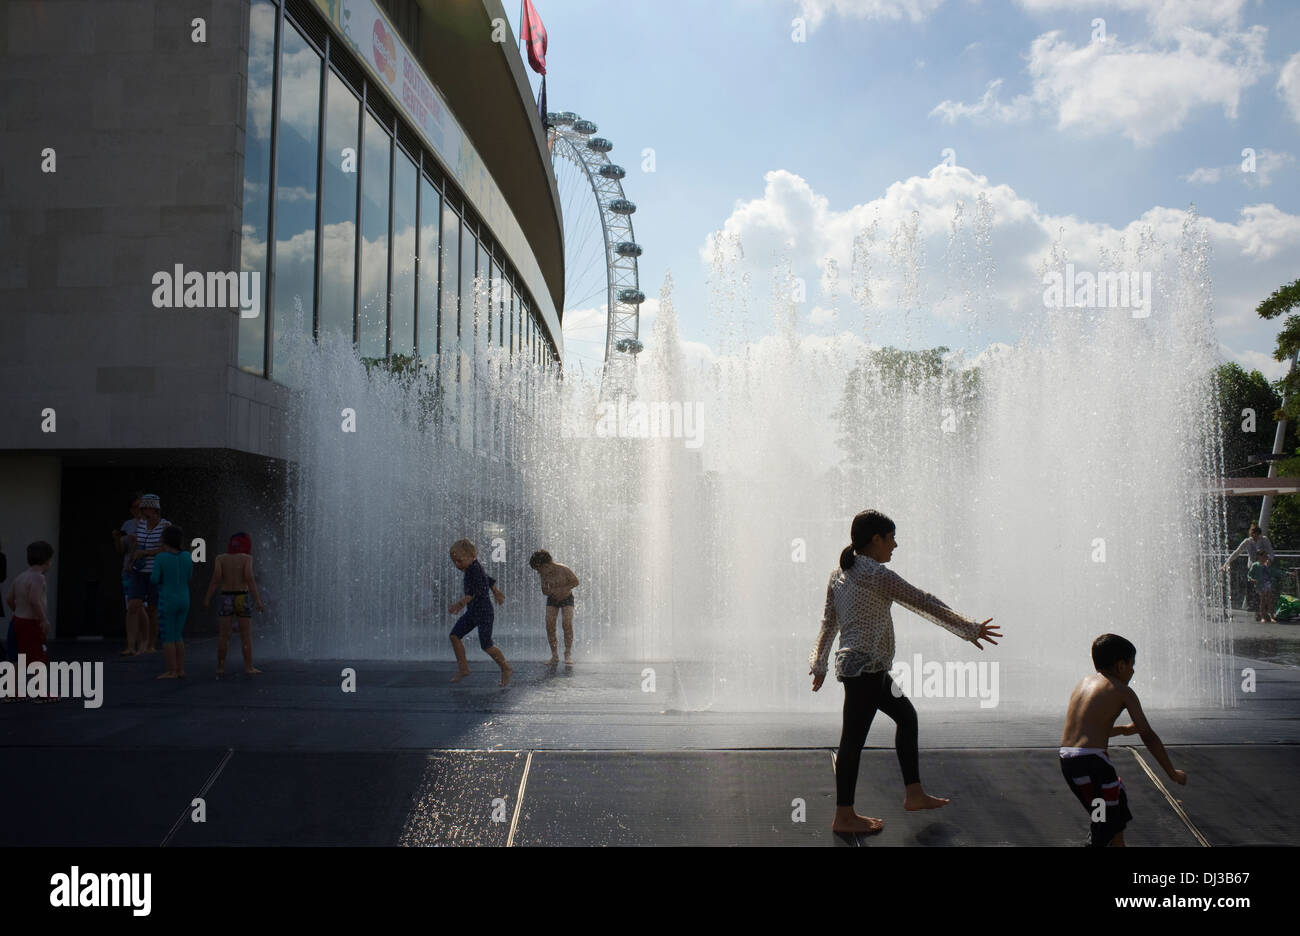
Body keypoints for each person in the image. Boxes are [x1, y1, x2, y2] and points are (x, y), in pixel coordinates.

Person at [809, 510, 1000, 840]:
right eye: (891, 538)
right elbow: (922, 601)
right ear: (875, 540)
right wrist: (969, 628)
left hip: (866, 668)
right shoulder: (875, 574)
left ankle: (914, 793)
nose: (895, 545)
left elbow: (829, 622)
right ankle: (844, 815)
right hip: (865, 669)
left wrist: (820, 664)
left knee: (906, 717)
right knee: (852, 741)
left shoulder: (839, 572)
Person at [1060, 633, 1187, 847]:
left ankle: (1117, 843)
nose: (1133, 671)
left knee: (1108, 810)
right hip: (1093, 764)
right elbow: (1148, 735)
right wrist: (1171, 773)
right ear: (1120, 666)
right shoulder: (1123, 691)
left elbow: (1090, 730)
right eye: (1132, 665)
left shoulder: (1083, 684)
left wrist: (1123, 731)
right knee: (1106, 819)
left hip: (1069, 761)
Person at [447, 539, 510, 686]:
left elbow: (473, 593)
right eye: (454, 562)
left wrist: (459, 604)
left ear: (471, 555)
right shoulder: (473, 568)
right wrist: (497, 592)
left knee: (486, 645)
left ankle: (506, 668)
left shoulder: (474, 570)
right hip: (473, 612)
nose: (457, 565)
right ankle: (463, 669)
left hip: (484, 613)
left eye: (459, 561)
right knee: (454, 636)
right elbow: (488, 580)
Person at [203, 532, 266, 676]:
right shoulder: (247, 558)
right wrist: (258, 600)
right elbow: (249, 579)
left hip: (226, 596)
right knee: (246, 635)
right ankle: (248, 667)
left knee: (223, 636)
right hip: (241, 597)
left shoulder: (220, 558)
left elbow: (216, 578)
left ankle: (220, 666)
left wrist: (207, 598)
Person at [4, 542, 56, 702]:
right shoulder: (38, 578)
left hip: (16, 621)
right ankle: (41, 693)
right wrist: (43, 620)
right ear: (47, 560)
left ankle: (12, 693)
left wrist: (18, 612)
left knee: (15, 658)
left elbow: (9, 598)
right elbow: (34, 600)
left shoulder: (20, 577)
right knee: (37, 658)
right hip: (30, 623)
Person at [150, 525, 193, 679]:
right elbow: (189, 576)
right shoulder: (187, 556)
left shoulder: (161, 557)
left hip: (167, 599)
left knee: (168, 636)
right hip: (184, 599)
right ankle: (180, 669)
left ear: (164, 540)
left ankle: (171, 671)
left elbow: (154, 579)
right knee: (178, 636)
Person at [128, 494, 170, 654]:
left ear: (155, 509)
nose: (145, 511)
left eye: (147, 508)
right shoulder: (141, 525)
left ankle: (150, 644)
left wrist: (145, 553)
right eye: (143, 508)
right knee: (134, 605)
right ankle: (132, 645)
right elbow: (137, 545)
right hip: (139, 571)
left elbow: (167, 548)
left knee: (152, 609)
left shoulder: (165, 525)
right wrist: (131, 562)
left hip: (155, 572)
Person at [529, 549, 579, 664]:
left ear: (546, 565)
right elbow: (544, 590)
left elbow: (576, 581)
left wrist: (563, 589)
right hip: (553, 599)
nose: (538, 572)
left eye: (538, 568)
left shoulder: (563, 569)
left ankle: (567, 653)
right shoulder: (544, 574)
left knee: (566, 623)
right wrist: (551, 592)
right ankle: (554, 655)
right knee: (549, 625)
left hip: (567, 598)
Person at [112, 492, 144, 654]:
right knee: (131, 608)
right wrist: (118, 539)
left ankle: (145, 644)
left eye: (142, 506)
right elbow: (120, 550)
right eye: (136, 507)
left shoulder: (157, 524)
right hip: (129, 570)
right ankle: (131, 646)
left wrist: (139, 539)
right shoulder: (128, 524)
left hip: (147, 570)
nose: (139, 510)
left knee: (145, 609)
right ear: (131, 510)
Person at [1222, 522, 1274, 613]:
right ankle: (1253, 607)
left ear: (1260, 534)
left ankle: (1264, 610)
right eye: (1254, 536)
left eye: (1257, 536)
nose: (1255, 538)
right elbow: (1237, 552)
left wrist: (1268, 560)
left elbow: (1271, 552)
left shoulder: (1264, 540)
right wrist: (1226, 564)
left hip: (1263, 567)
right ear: (1251, 534)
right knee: (1252, 587)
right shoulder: (1247, 541)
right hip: (1253, 568)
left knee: (1264, 589)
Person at [1248, 549, 1283, 623]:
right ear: (1259, 557)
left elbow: (1275, 571)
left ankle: (1271, 616)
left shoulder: (1267, 564)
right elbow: (1249, 575)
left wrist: (1287, 573)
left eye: (1266, 556)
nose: (1266, 558)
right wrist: (1252, 579)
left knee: (1270, 600)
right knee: (1263, 600)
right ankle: (1263, 616)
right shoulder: (1255, 565)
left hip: (1268, 583)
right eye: (1264, 556)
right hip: (1260, 585)